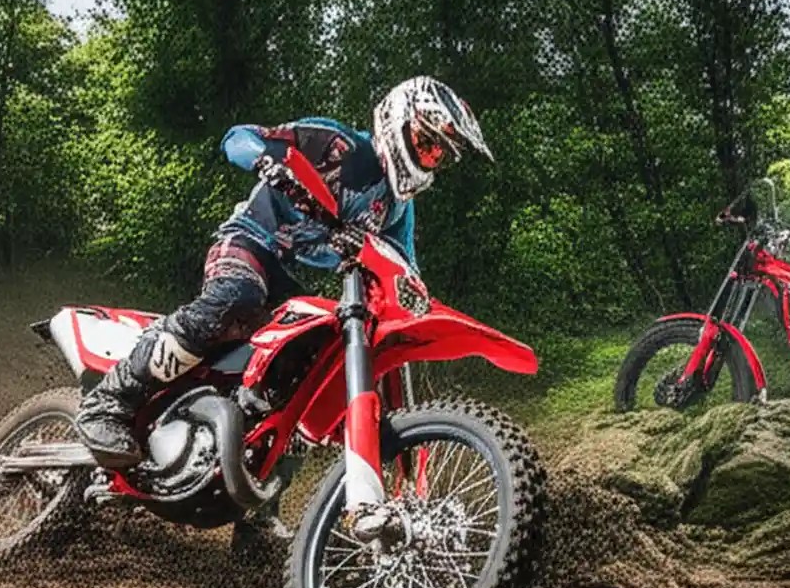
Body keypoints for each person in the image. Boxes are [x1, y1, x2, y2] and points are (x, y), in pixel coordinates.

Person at [71, 76, 494, 549]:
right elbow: (239, 138)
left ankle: (256, 511)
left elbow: (406, 269)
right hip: (249, 242)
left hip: (289, 282)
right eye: (425, 143)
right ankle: (110, 400)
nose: (429, 158)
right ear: (399, 120)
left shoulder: (396, 207)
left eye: (439, 154)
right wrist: (268, 163)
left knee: (308, 381)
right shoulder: (338, 145)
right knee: (235, 300)